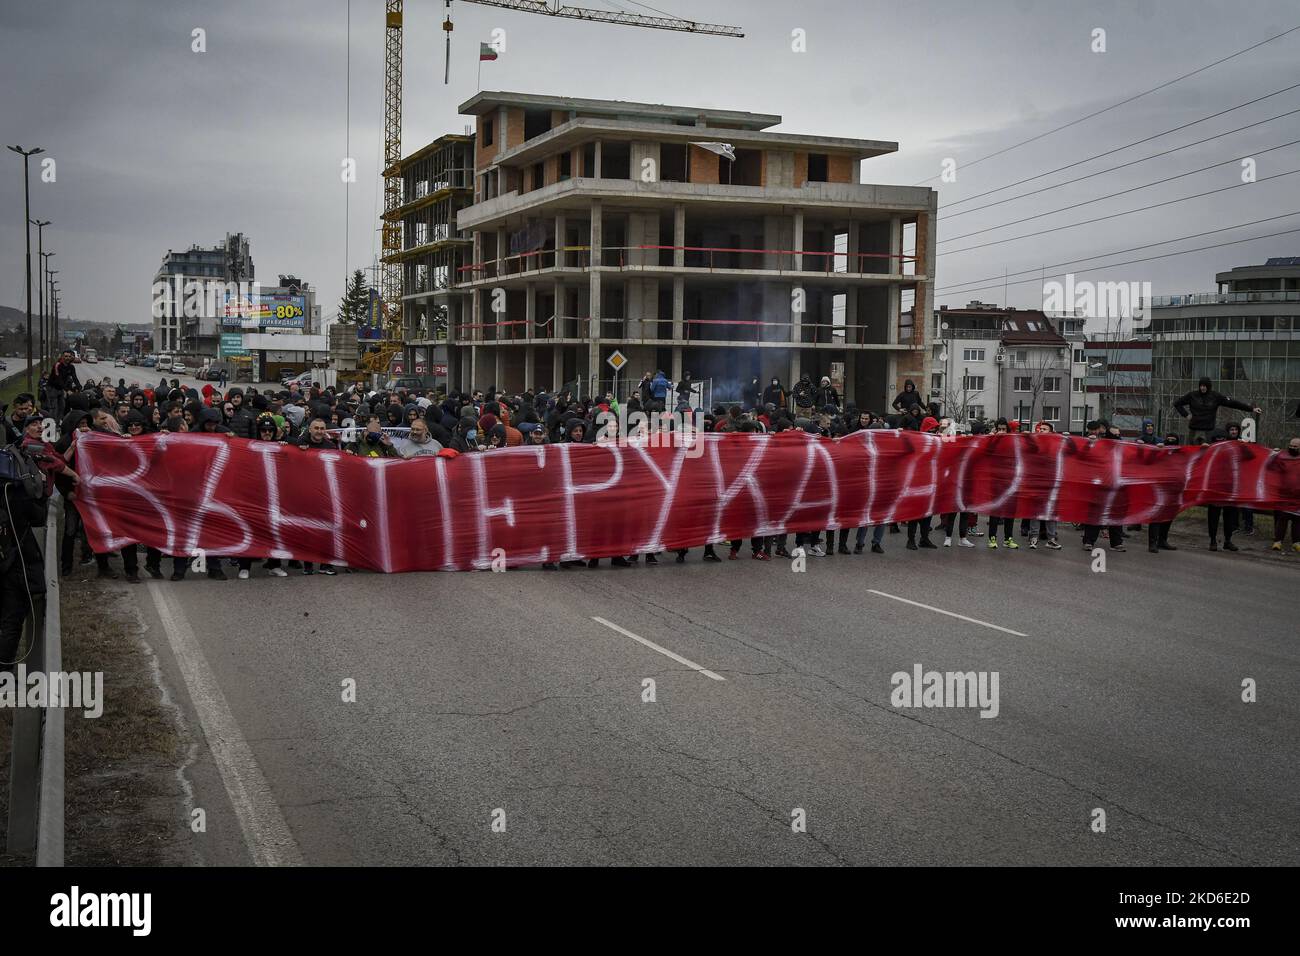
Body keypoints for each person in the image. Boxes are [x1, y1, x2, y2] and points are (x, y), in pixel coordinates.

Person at [1173, 376, 1261, 444]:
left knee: (1207, 451)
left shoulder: (1215, 396)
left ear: (1209, 386)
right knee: (1193, 452)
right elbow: (1177, 403)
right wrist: (1186, 415)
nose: (1203, 388)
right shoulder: (1192, 395)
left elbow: (1233, 403)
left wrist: (1251, 409)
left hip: (1208, 430)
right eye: (1201, 386)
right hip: (1194, 429)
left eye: (1205, 386)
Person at [1272, 436, 1300, 552]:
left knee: (1298, 521)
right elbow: (1271, 467)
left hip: (1298, 497)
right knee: (1282, 519)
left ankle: (1296, 542)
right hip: (1284, 495)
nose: (1292, 448)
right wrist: (1273, 455)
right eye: (1291, 446)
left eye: (1295, 446)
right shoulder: (1282, 456)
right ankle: (1278, 541)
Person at [48, 349, 81, 421]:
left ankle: (58, 423)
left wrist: (79, 387)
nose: (67, 358)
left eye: (69, 356)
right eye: (66, 356)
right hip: (53, 387)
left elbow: (75, 378)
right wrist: (67, 390)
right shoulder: (57, 365)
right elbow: (58, 379)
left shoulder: (71, 367)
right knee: (54, 408)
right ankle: (52, 424)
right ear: (62, 357)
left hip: (61, 388)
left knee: (62, 407)